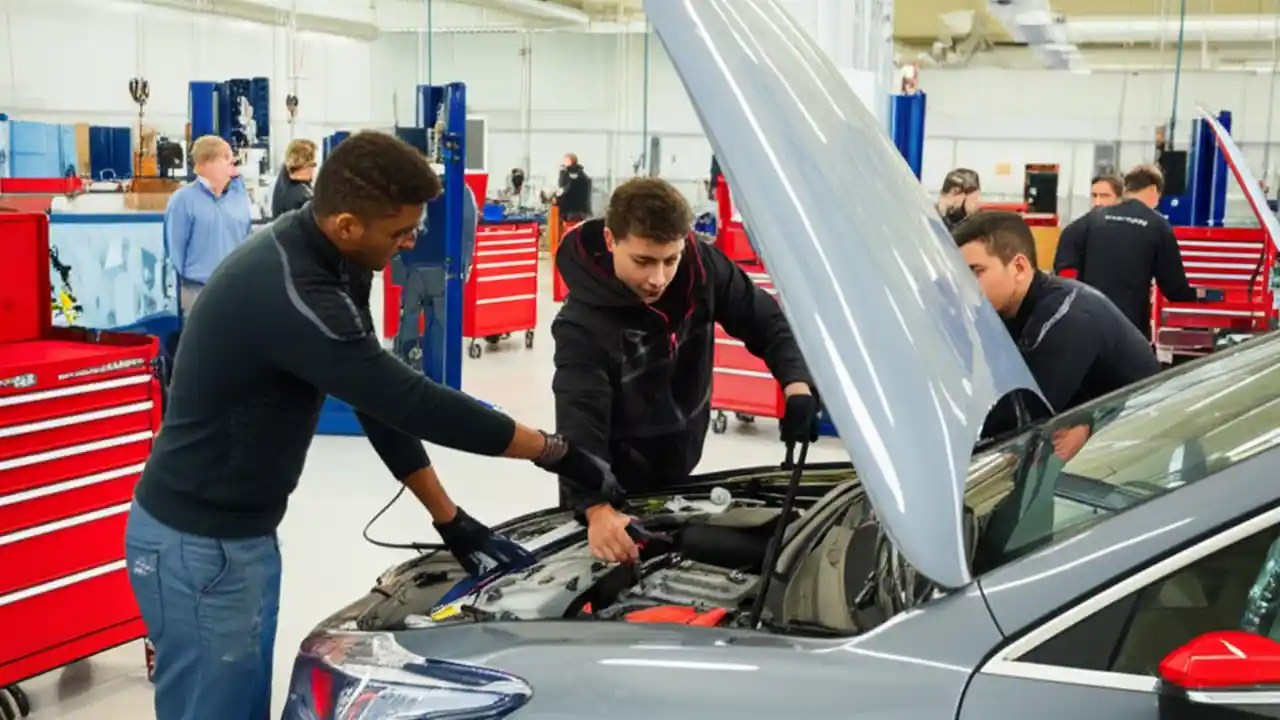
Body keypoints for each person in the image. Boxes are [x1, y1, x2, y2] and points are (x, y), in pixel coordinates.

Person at [124, 130, 615, 720]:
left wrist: (449, 518)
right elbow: (409, 400)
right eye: (400, 231)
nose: (410, 241)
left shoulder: (331, 258)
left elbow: (372, 399)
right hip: (201, 546)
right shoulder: (295, 289)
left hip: (236, 538)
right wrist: (554, 451)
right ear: (349, 224)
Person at [552, 177, 818, 564]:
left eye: (669, 260)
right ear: (611, 241)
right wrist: (596, 508)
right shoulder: (582, 323)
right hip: (610, 478)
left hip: (680, 462)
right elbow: (580, 422)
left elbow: (763, 319)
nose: (658, 278)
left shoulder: (701, 268)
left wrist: (797, 383)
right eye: (643, 261)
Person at [954, 210, 1160, 445]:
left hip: (1142, 442)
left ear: (1019, 268)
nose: (964, 285)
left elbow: (1020, 417)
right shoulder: (1006, 310)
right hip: (1096, 437)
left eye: (976, 271)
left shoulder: (1065, 317)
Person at [1052, 163, 1202, 339]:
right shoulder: (1158, 226)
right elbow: (1174, 288)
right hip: (1129, 330)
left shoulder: (1089, 221)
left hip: (1085, 324)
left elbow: (1064, 271)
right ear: (1154, 190)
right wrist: (1200, 297)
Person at [393, 179, 479, 374]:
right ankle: (439, 376)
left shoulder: (410, 187)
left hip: (413, 265)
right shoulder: (459, 190)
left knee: (409, 318)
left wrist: (401, 262)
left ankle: (404, 370)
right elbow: (467, 230)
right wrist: (464, 267)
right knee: (441, 326)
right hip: (442, 268)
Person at [164, 135, 252, 313]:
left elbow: (247, 240)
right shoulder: (183, 200)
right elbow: (175, 250)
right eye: (226, 157)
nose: (232, 162)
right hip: (197, 292)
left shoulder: (240, 198)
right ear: (205, 163)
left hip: (235, 290)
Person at [271, 138, 317, 218]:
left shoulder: (284, 177)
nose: (313, 170)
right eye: (313, 165)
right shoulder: (301, 196)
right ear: (305, 164)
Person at [555, 152, 592, 221]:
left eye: (565, 161)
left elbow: (565, 188)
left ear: (570, 162)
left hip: (571, 211)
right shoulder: (583, 175)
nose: (563, 164)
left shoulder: (570, 175)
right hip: (582, 210)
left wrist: (556, 197)